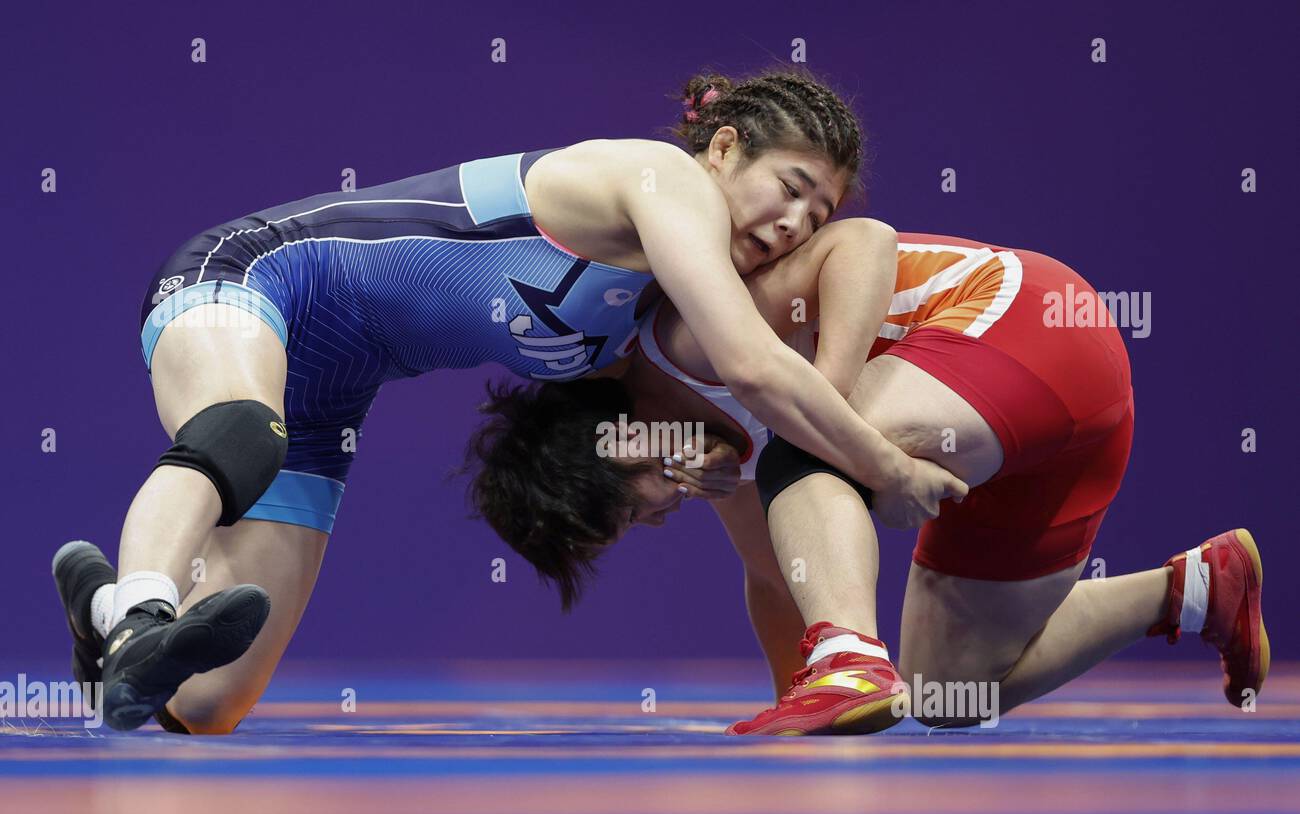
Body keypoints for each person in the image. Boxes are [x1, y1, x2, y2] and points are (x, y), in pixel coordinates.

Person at [54, 68, 939, 733]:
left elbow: (687, 455)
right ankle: (136, 611)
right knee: (241, 430)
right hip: (255, 277)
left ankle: (101, 613)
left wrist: (695, 456)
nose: (795, 225)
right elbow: (752, 367)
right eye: (789, 189)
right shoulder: (656, 180)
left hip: (330, 399)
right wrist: (883, 463)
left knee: (205, 704)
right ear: (722, 149)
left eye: (816, 214)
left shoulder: (668, 298)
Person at [473, 231, 1268, 734]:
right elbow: (777, 576)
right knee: (948, 691)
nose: (656, 520)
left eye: (628, 514)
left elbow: (861, 239)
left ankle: (851, 658)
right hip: (1063, 430)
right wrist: (802, 702)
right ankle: (1194, 589)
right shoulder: (714, 456)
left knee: (803, 444)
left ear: (612, 448)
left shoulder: (691, 334)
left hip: (1032, 324)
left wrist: (828, 403)